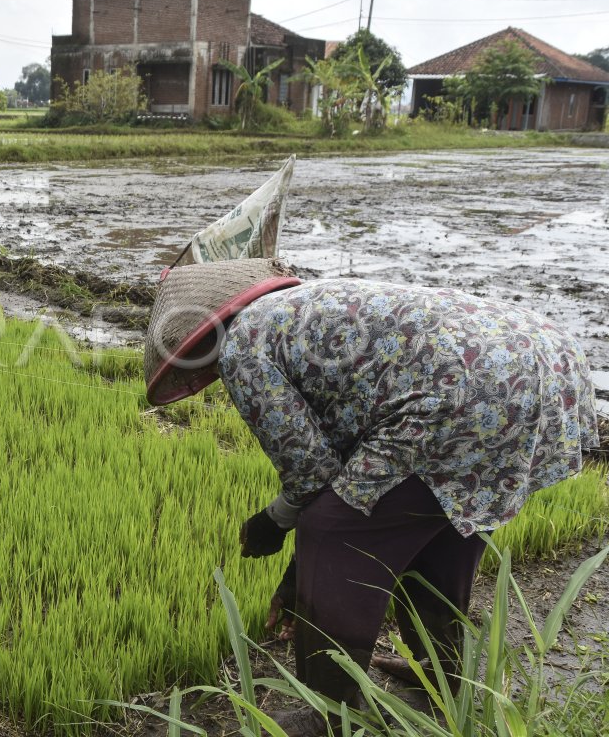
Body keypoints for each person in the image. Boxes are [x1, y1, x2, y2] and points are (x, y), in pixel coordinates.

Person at [143, 258, 599, 735]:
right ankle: (441, 678)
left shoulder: (243, 346)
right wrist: (298, 571)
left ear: (201, 339)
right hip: (548, 361)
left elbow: (311, 472)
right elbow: (346, 463)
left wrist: (273, 524)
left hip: (465, 393)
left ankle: (330, 710)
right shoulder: (305, 307)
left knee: (331, 529)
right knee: (437, 519)